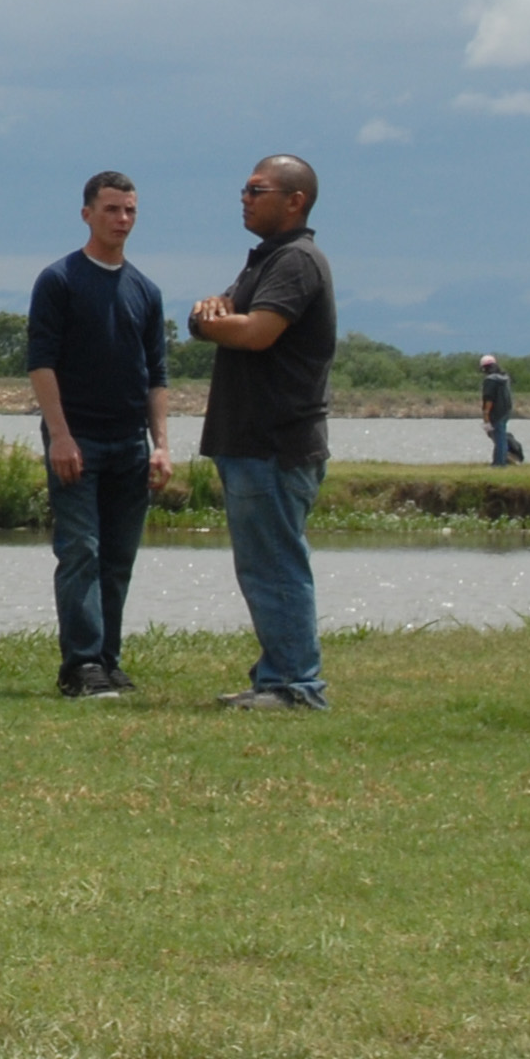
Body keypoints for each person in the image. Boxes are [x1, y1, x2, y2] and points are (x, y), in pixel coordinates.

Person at [188, 154, 338, 711]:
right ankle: (275, 676)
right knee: (263, 565)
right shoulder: (266, 261)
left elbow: (253, 332)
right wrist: (212, 318)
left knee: (276, 566)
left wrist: (215, 322)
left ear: (294, 200)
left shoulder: (297, 261)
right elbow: (213, 314)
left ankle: (297, 686)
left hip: (275, 443)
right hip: (249, 442)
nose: (244, 199)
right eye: (244, 190)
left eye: (257, 189)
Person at [27, 170, 171, 700]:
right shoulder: (60, 280)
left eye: (130, 210)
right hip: (78, 440)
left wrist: (161, 446)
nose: (122, 220)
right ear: (87, 214)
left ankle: (108, 661)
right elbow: (41, 364)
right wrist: (60, 436)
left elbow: (156, 375)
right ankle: (81, 665)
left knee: (117, 557)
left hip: (130, 443)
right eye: (112, 209)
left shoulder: (145, 291)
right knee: (81, 550)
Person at [480, 354, 514, 467]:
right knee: (502, 437)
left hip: (495, 413)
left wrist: (486, 414)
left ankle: (499, 463)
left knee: (499, 438)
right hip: (506, 411)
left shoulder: (490, 380)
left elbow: (489, 398)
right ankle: (503, 460)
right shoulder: (505, 378)